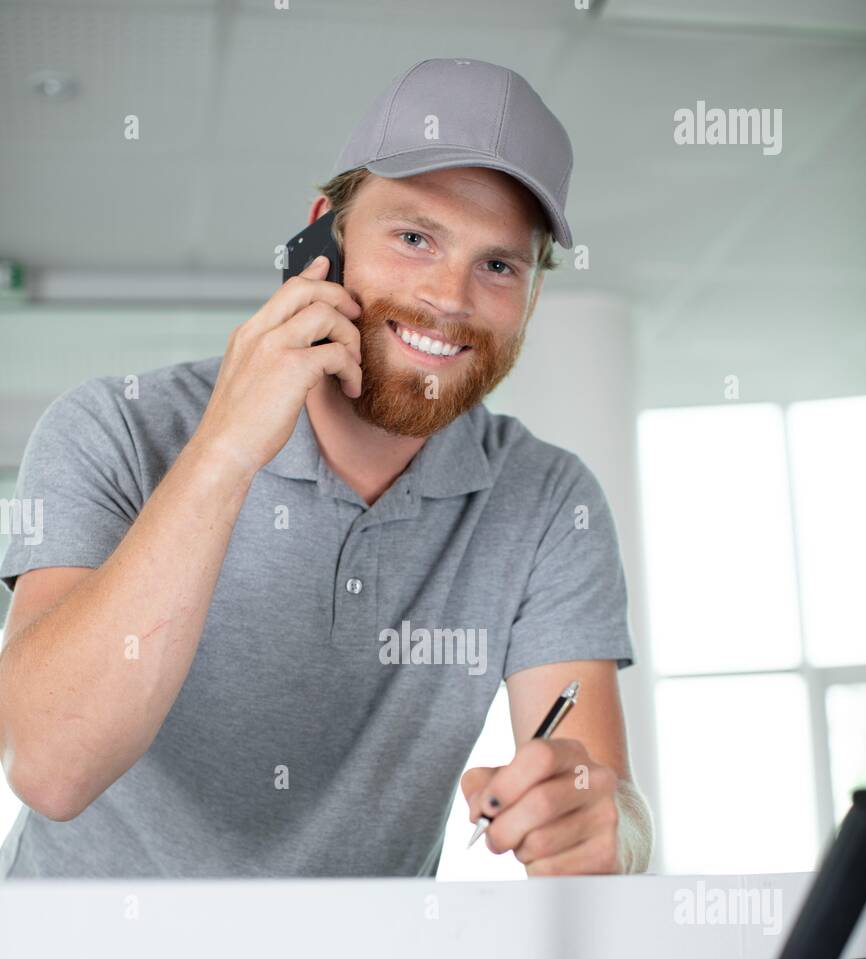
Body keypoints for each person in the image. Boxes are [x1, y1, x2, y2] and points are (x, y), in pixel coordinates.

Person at [0, 57, 652, 879]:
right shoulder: (114, 429)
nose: (449, 297)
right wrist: (227, 450)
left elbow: (605, 807)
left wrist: (606, 828)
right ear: (325, 236)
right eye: (414, 238)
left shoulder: (549, 501)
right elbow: (49, 766)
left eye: (498, 265)